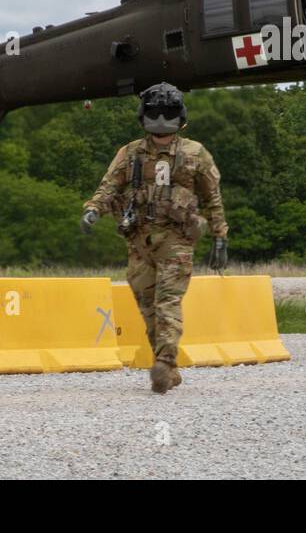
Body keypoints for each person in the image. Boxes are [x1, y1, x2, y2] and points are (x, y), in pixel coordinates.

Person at [81, 82, 228, 394]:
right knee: (147, 305)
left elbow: (212, 198)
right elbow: (110, 186)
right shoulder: (130, 154)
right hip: (138, 241)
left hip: (176, 240)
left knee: (167, 302)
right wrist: (93, 209)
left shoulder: (195, 154)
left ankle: (164, 360)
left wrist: (219, 237)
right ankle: (167, 364)